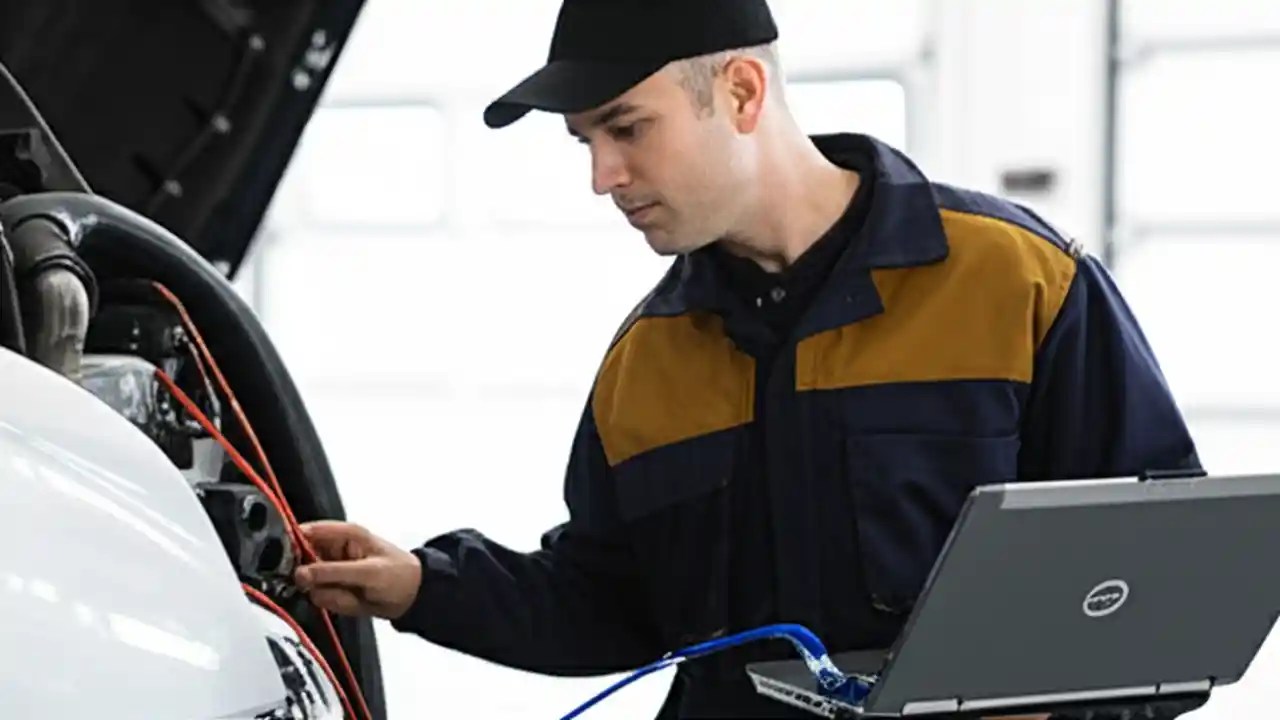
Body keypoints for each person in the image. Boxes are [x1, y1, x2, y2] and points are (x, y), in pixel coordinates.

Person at [293, 0, 1202, 717]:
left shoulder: (1017, 282)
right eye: (587, 143)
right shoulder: (648, 361)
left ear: (739, 93)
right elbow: (611, 602)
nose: (601, 176)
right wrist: (420, 587)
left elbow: (1166, 585)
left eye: (626, 129)